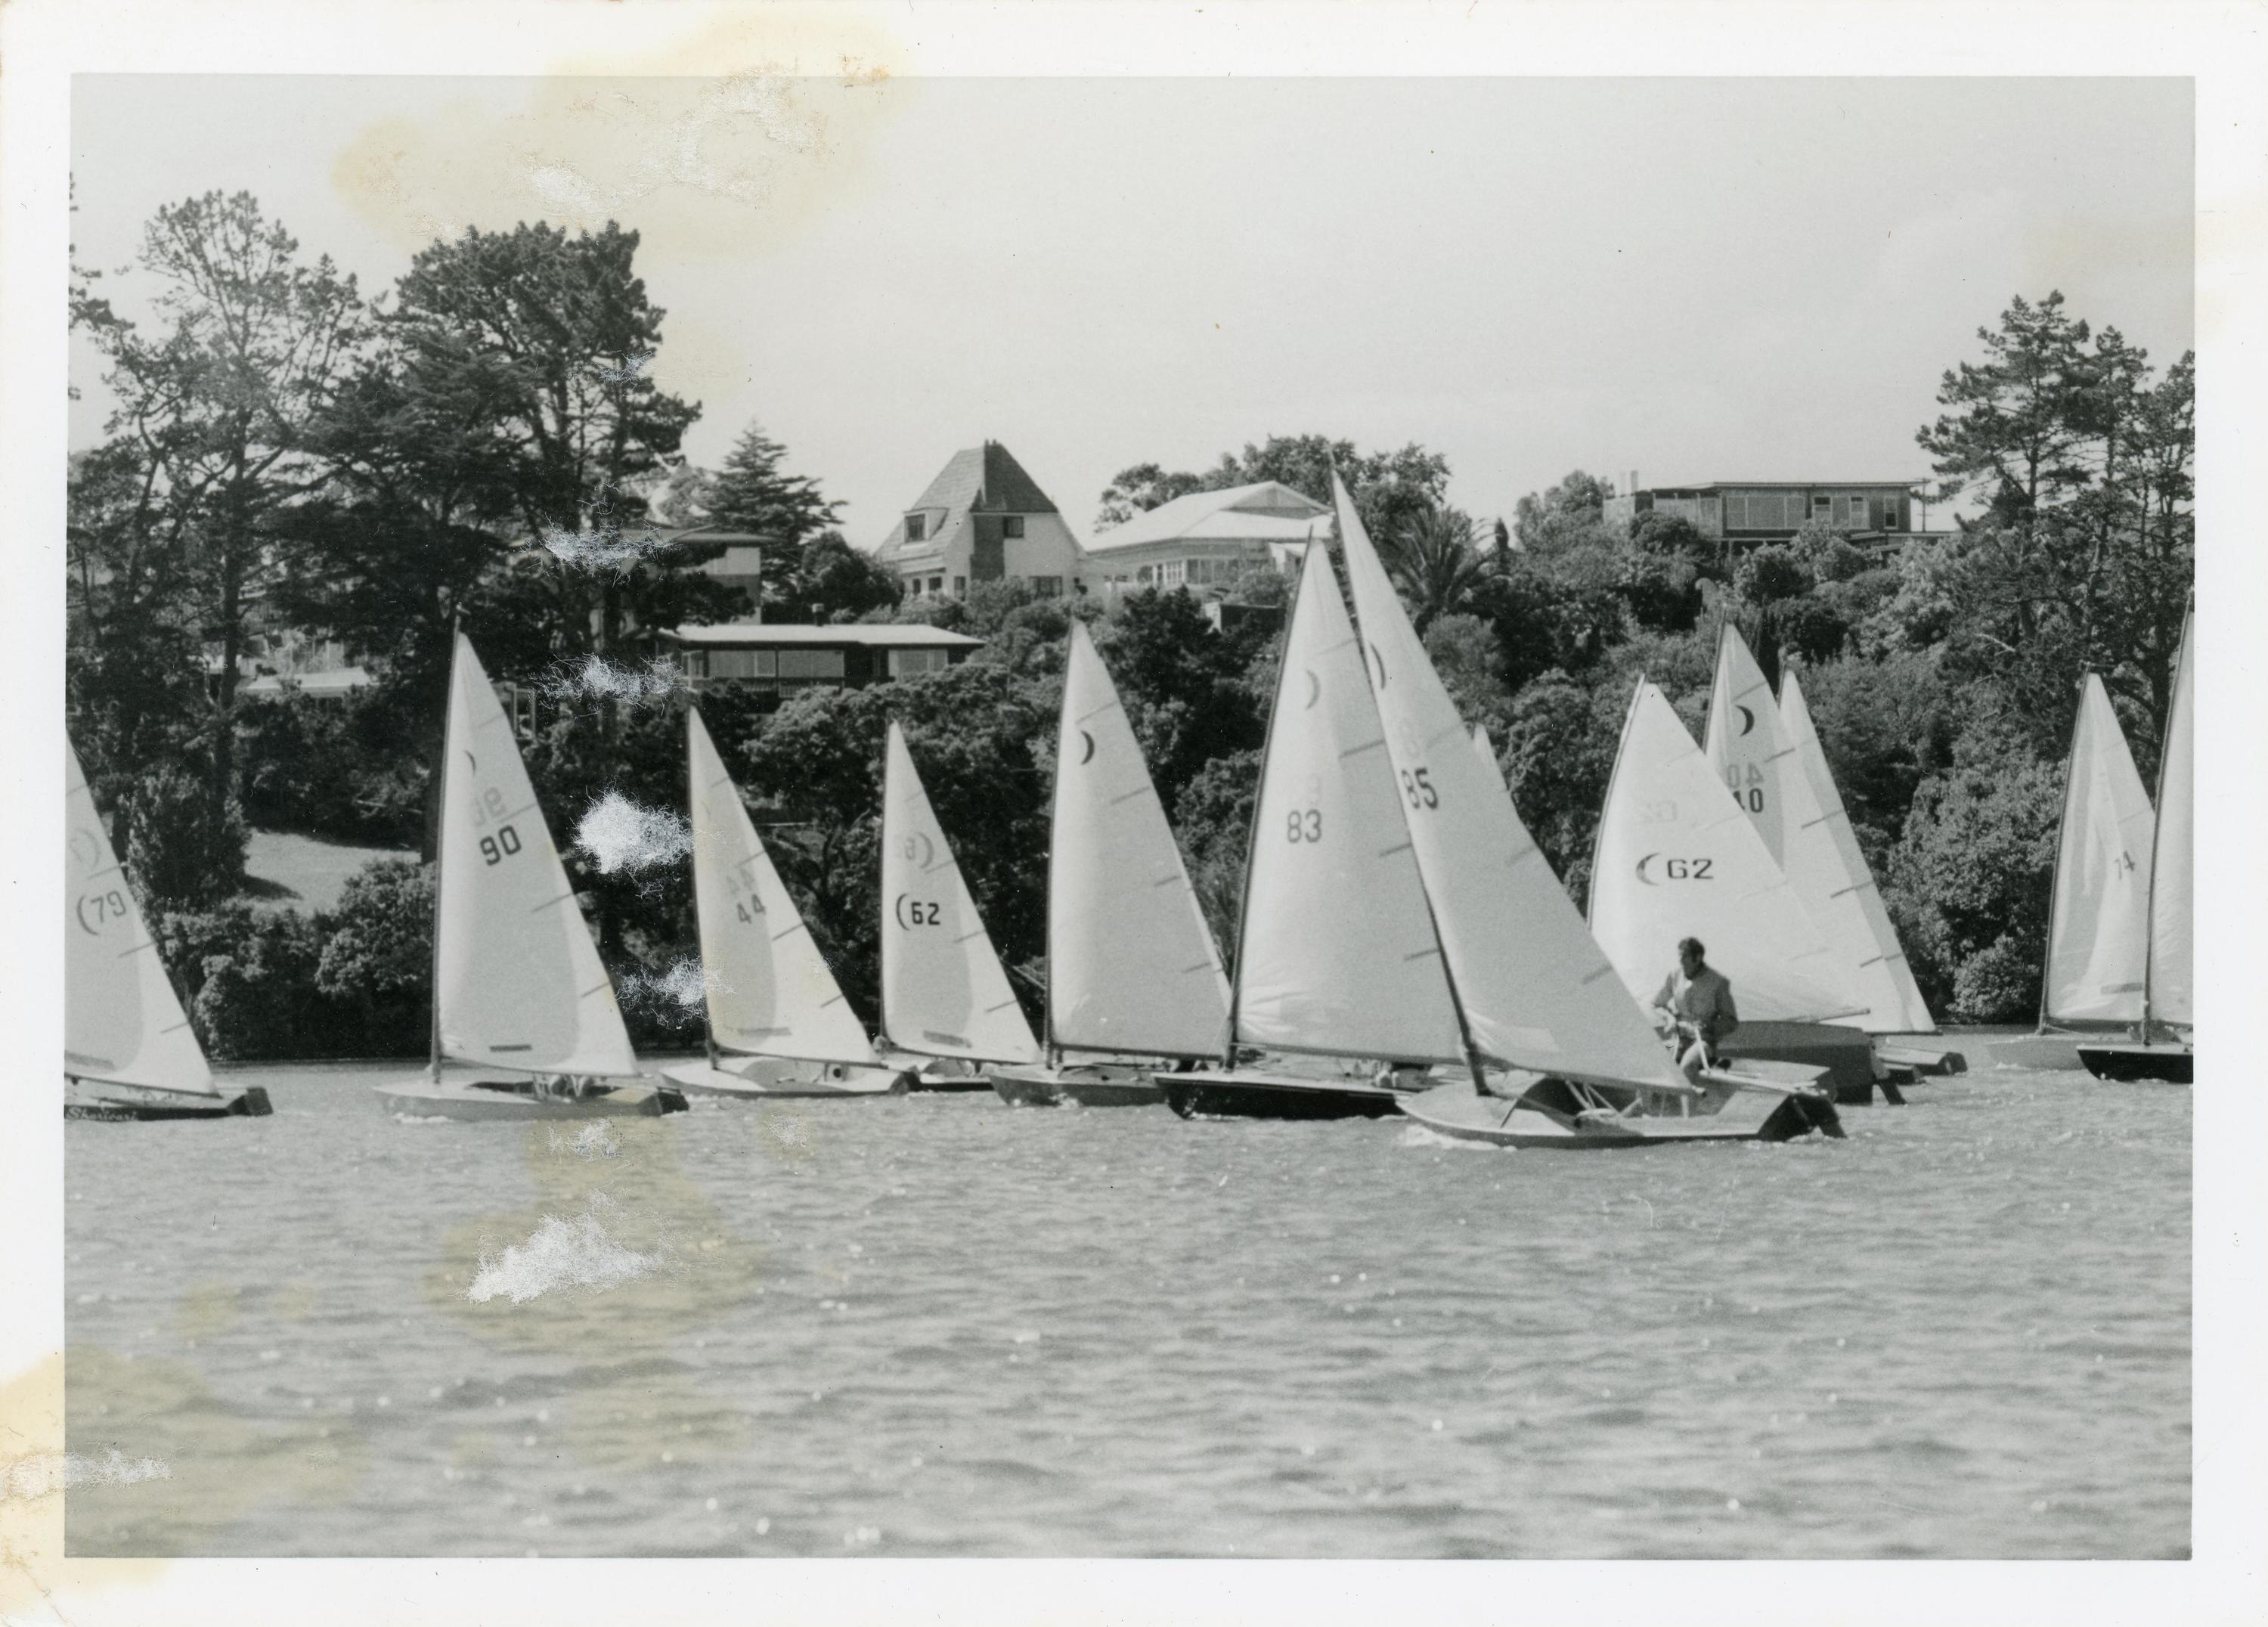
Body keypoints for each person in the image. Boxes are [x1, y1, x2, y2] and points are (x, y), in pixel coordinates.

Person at [1653, 936, 1738, 1084]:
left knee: (1687, 1066)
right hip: (1678, 1040)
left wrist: (1709, 1027)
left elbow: (1731, 1022)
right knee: (1650, 1057)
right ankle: (1645, 1106)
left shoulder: (1718, 982)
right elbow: (1656, 1005)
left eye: (1685, 956)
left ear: (1698, 958)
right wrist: (1670, 1018)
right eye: (1680, 956)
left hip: (1702, 1042)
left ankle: (1689, 1107)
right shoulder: (1675, 976)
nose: (1681, 961)